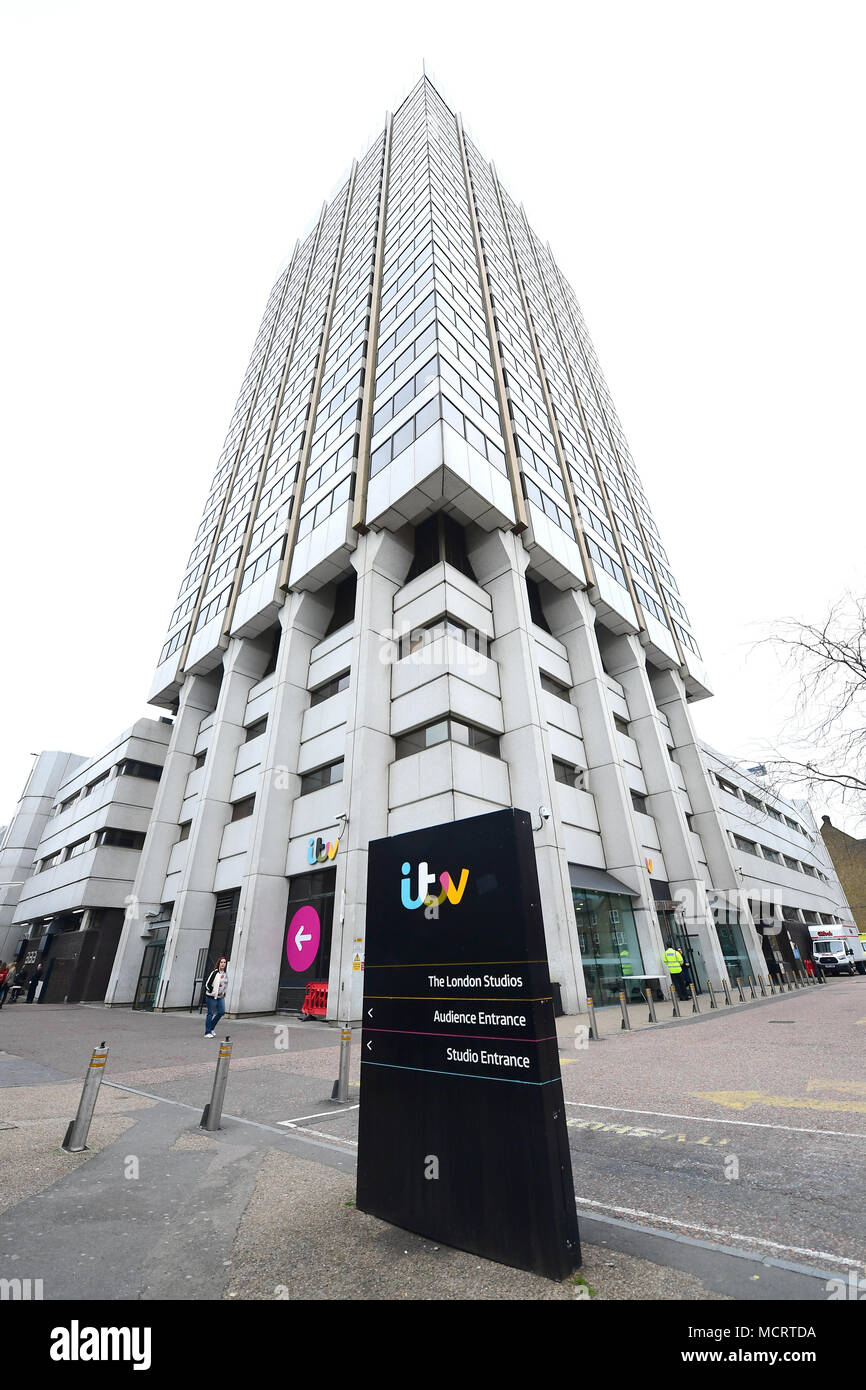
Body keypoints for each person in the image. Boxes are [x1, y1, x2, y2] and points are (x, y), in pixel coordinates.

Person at [203, 957, 228, 1038]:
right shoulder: (214, 973)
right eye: (221, 962)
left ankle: (211, 1028)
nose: (223, 964)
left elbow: (225, 985)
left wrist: (224, 993)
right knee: (210, 1013)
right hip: (212, 997)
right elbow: (207, 984)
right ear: (219, 963)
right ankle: (207, 1032)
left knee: (221, 1012)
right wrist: (212, 992)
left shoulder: (225, 974)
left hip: (221, 997)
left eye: (224, 962)